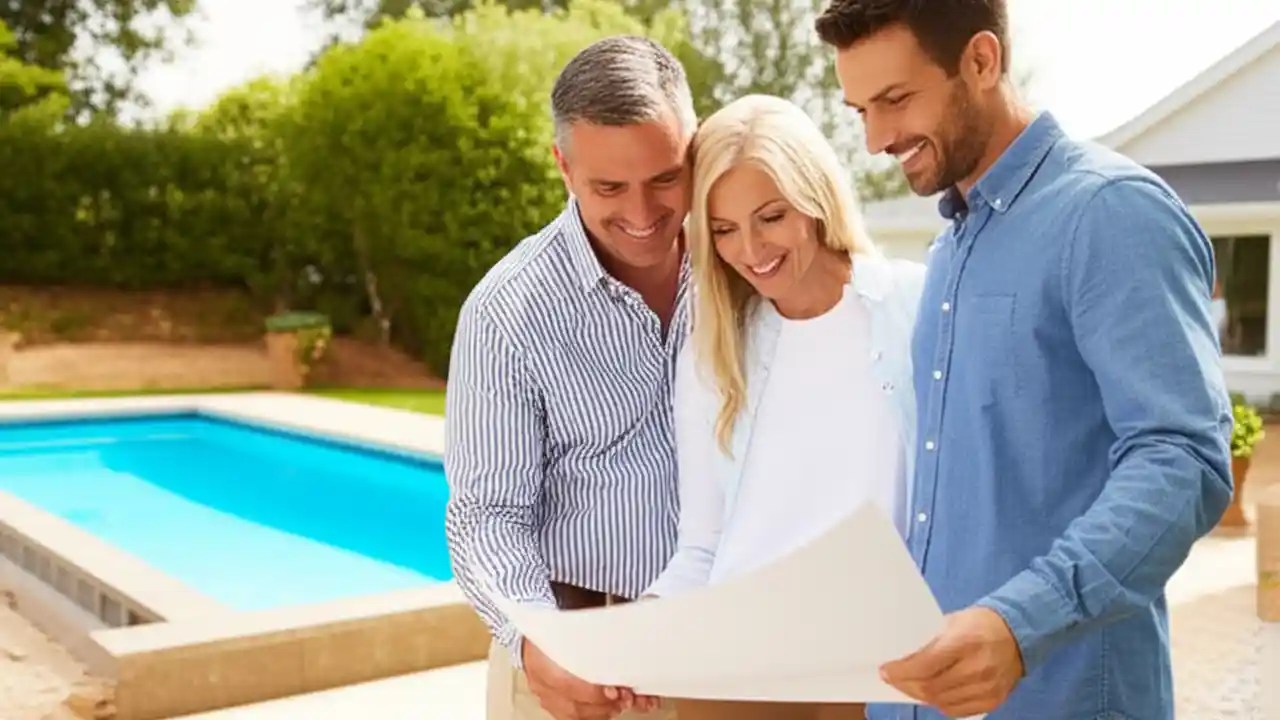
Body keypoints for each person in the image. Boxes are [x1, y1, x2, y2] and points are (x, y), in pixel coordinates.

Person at [814, 1, 1234, 719]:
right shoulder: (948, 250)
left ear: (981, 61)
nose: (877, 138)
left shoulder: (1110, 214)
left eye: (895, 100)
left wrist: (1020, 622)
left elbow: (1183, 459)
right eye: (859, 111)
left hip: (1063, 698)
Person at [641, 93, 926, 720]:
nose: (750, 249)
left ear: (814, 198)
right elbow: (703, 548)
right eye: (722, 230)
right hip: (738, 676)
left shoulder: (914, 309)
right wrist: (644, 632)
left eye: (770, 216)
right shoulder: (715, 350)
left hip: (880, 664)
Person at [444, 35, 697, 720]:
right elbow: (486, 514)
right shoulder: (507, 312)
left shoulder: (745, 264)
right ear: (563, 166)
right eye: (609, 187)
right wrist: (534, 642)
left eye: (665, 179)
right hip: (573, 665)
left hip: (722, 659)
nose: (643, 216)